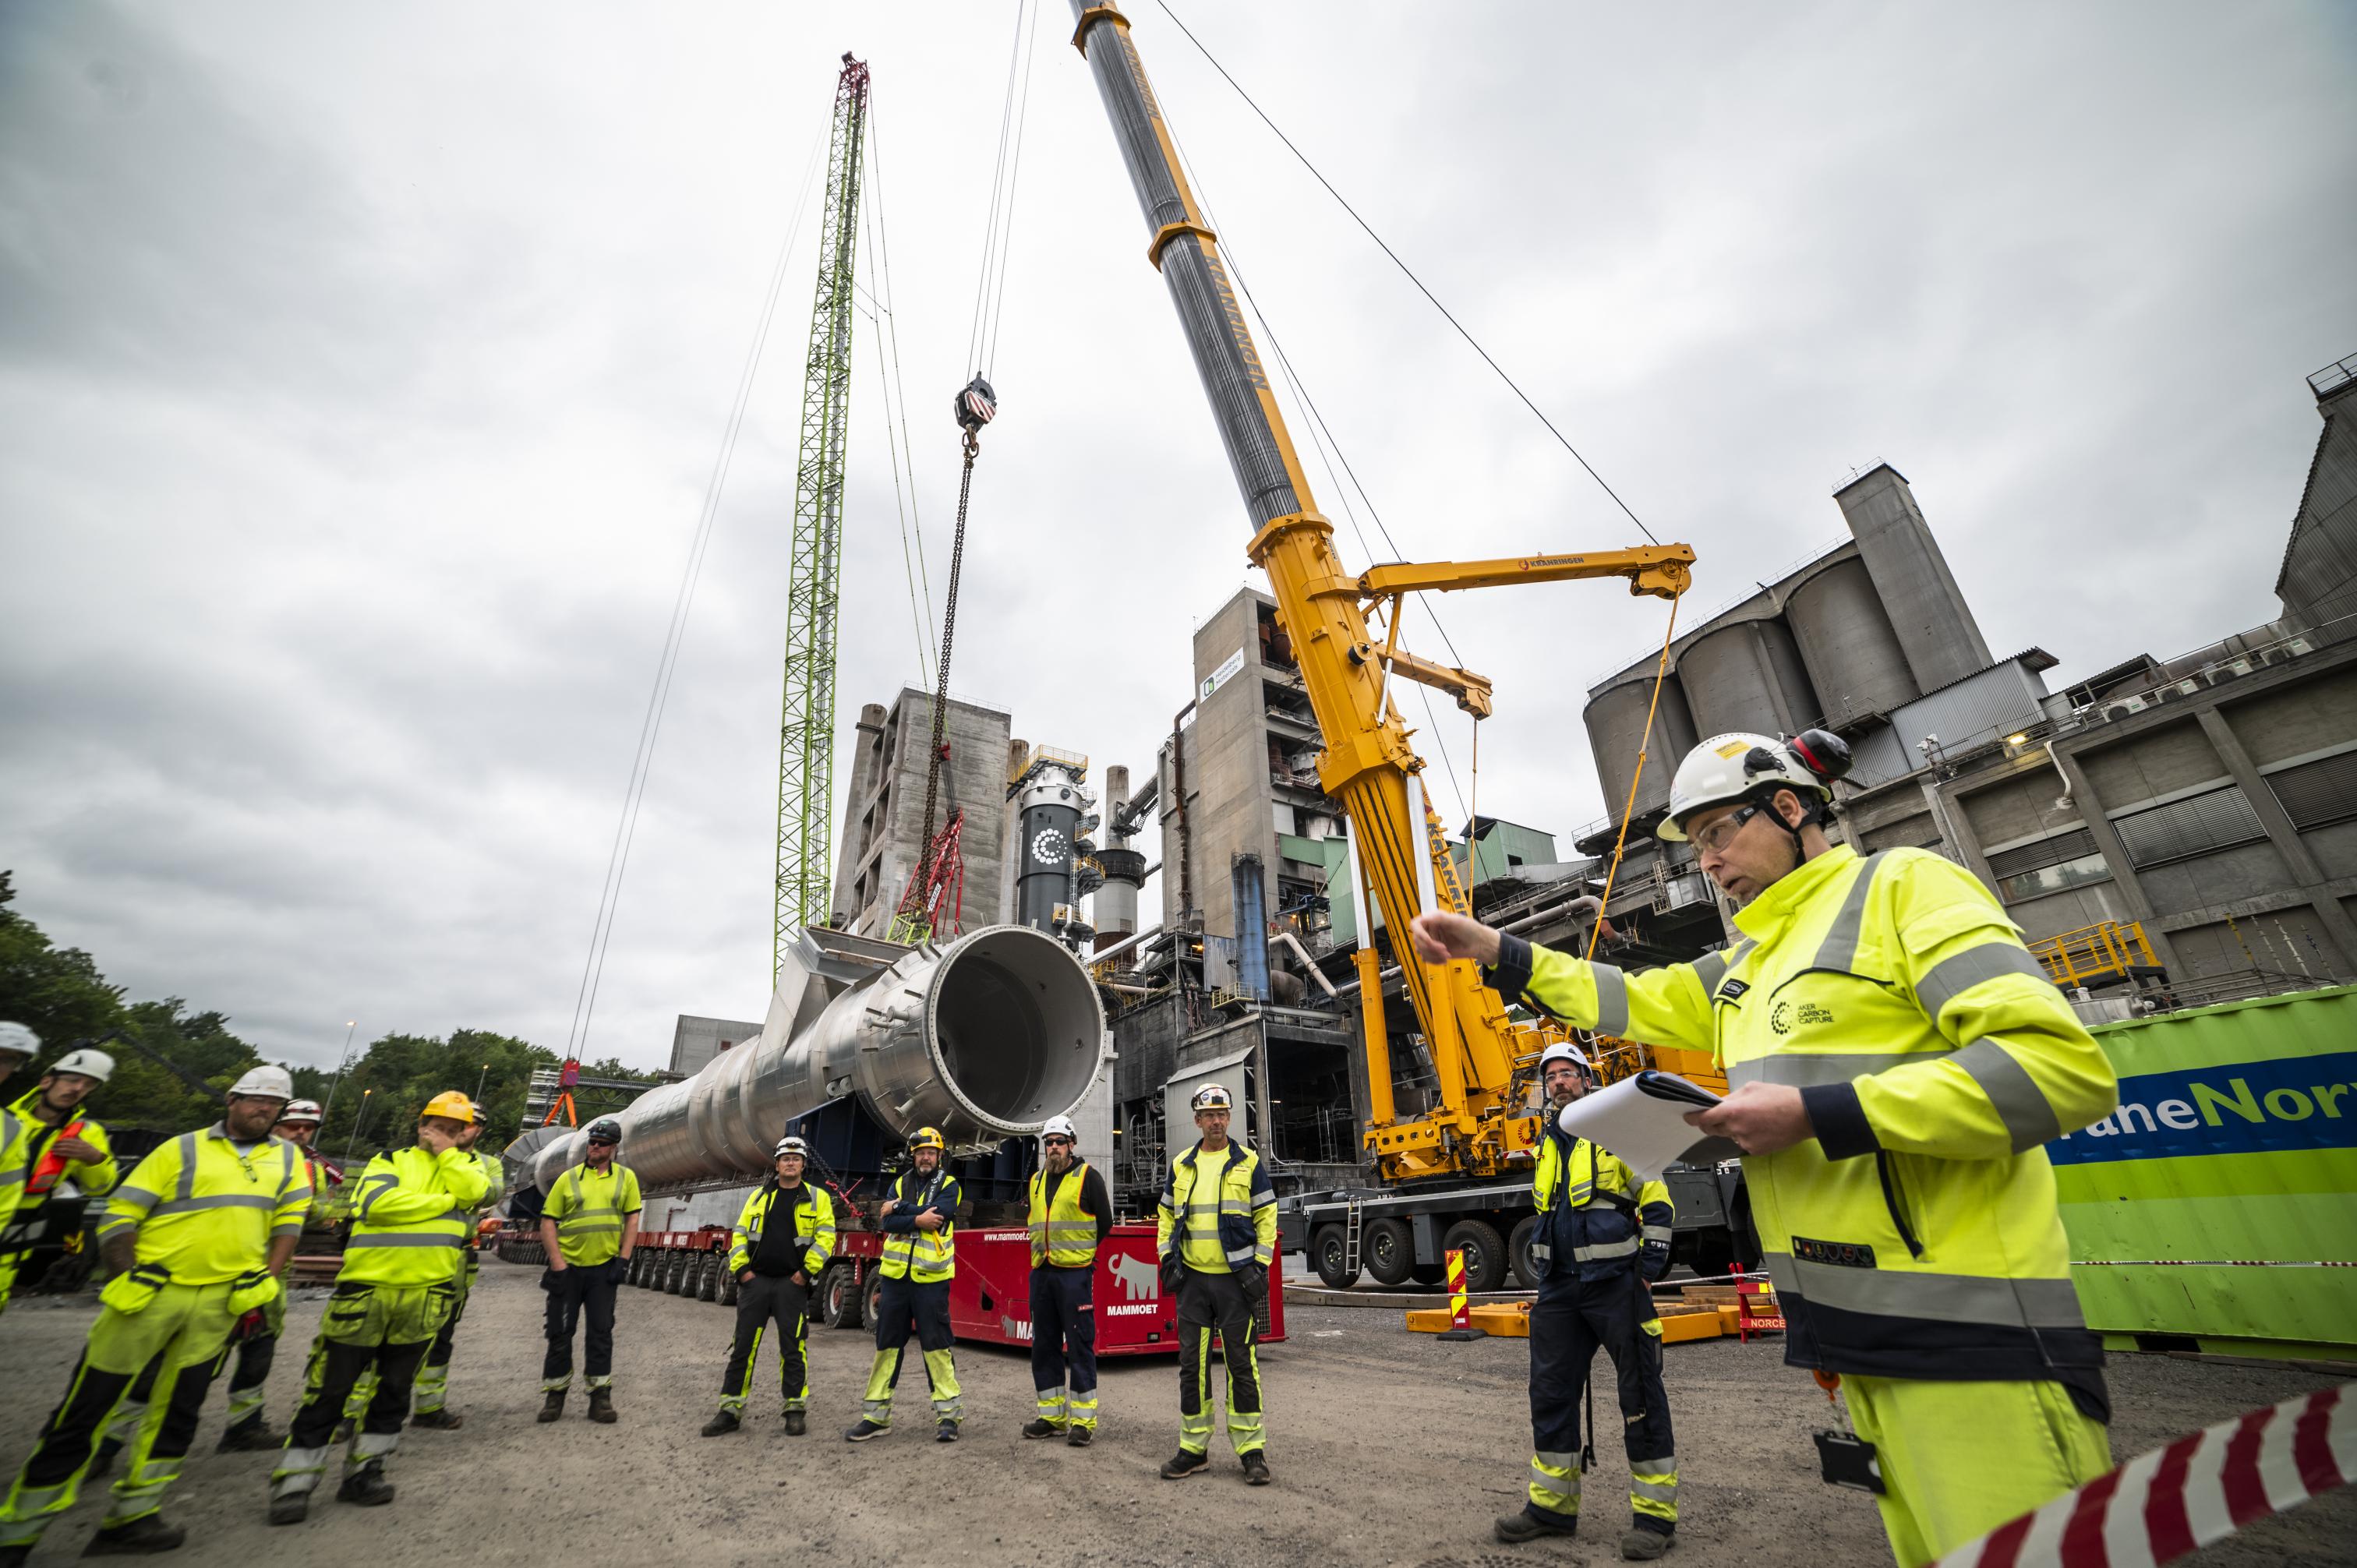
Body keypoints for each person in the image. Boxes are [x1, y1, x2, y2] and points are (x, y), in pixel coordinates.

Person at [1410, 729, 2120, 1567]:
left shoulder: (1900, 887)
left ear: (1790, 808)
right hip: (1859, 1347)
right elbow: (1631, 998)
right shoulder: (1751, 960)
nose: (1707, 859)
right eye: (1697, 842)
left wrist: (1816, 1114)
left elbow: (2060, 1070)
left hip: (1976, 1348)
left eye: (1718, 831)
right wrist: (1498, 951)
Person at [0, 1065, 306, 1562]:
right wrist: (126, 1271)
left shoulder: (288, 1159)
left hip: (219, 1302)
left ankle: (134, 1515)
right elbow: (121, 1214)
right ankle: (18, 1531)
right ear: (231, 1099)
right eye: (254, 1100)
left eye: (273, 1105)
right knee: (88, 1410)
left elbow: (289, 1222)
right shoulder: (181, 1149)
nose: (263, 1111)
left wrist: (267, 1276)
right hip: (150, 1294)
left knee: (178, 1414)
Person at [1493, 1041, 1680, 1558]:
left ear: (1586, 1079)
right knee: (1550, 1393)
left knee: (1640, 1395)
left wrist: (1647, 1270)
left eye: (1567, 1074)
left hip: (1617, 1285)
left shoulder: (1618, 1134)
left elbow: (1657, 1201)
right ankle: (1552, 1507)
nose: (1558, 1082)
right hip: (1559, 1290)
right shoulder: (1547, 1142)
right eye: (1550, 1076)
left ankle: (1655, 1519)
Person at [267, 1090, 486, 1525]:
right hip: (367, 1290)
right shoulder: (389, 1160)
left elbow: (474, 1193)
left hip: (425, 1296)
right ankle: (295, 1481)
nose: (441, 1133)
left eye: (452, 1128)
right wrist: (444, 1202)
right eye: (436, 1125)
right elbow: (377, 1205)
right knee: (330, 1388)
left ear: (464, 1134)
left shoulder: (469, 1167)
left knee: (392, 1392)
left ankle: (366, 1472)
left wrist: (448, 1161)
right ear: (422, 1124)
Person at [1155, 1082, 1275, 1486]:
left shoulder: (1249, 1163)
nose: (1217, 1121)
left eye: (1223, 1114)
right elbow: (1166, 1217)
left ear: (1229, 1118)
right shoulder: (1182, 1164)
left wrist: (1259, 1267)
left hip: (1235, 1285)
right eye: (1209, 1115)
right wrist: (1167, 1258)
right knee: (1193, 1368)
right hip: (1192, 1283)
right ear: (1198, 1120)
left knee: (1243, 1366)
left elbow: (1267, 1218)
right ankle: (1193, 1449)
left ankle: (1251, 1451)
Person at [704, 1135, 837, 1438]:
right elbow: (739, 1233)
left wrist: (805, 1273)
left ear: (803, 1164)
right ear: (777, 1164)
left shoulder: (818, 1198)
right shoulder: (758, 1197)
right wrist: (742, 1272)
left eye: (796, 1158)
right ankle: (730, 1410)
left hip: (793, 1283)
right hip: (756, 1283)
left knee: (793, 1348)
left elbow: (827, 1239)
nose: (790, 1163)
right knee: (743, 1348)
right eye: (785, 1158)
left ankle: (794, 1409)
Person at [845, 1127, 963, 1443]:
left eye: (931, 1152)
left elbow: (941, 1215)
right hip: (896, 1279)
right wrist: (915, 1217)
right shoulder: (899, 1182)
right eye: (921, 1152)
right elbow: (888, 1222)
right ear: (913, 1156)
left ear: (940, 1157)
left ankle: (949, 1417)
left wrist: (900, 1208)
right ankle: (876, 1416)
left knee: (936, 1347)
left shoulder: (950, 1185)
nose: (926, 1157)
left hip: (931, 1281)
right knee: (886, 1346)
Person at [404, 1097, 504, 1429]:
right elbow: (384, 1205)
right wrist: (452, 1194)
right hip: (405, 1259)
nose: (465, 1128)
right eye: (459, 1122)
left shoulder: (487, 1165)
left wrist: (448, 1160)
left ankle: (429, 1408)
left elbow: (485, 1195)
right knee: (386, 1341)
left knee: (441, 1336)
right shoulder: (402, 1160)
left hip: (456, 1262)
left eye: (472, 1123)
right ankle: (352, 1414)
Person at [0, 1046, 121, 1316]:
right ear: (47, 1081)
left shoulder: (88, 1133)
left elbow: (100, 1187)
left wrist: (95, 1159)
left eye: (88, 1085)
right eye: (71, 1080)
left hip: (15, 1243)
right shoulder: (6, 1120)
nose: (77, 1089)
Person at [536, 1115, 640, 1425]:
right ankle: (555, 1397)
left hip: (603, 1271)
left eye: (602, 1144)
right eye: (592, 1142)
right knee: (560, 1333)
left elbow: (632, 1219)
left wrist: (623, 1260)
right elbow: (548, 1221)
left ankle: (600, 1398)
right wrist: (557, 1263)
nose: (595, 1147)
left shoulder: (626, 1179)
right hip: (568, 1269)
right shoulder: (567, 1179)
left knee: (600, 1333)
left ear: (613, 1148)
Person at [1023, 1113, 1112, 1446]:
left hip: (1074, 1276)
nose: (1054, 1148)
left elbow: (1105, 1222)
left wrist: (1082, 1254)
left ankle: (1083, 1422)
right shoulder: (1035, 1181)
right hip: (1042, 1274)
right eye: (1049, 1143)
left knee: (1079, 1347)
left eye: (1060, 1142)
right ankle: (1051, 1417)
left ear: (1072, 1144)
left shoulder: (1089, 1177)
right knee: (1044, 1346)